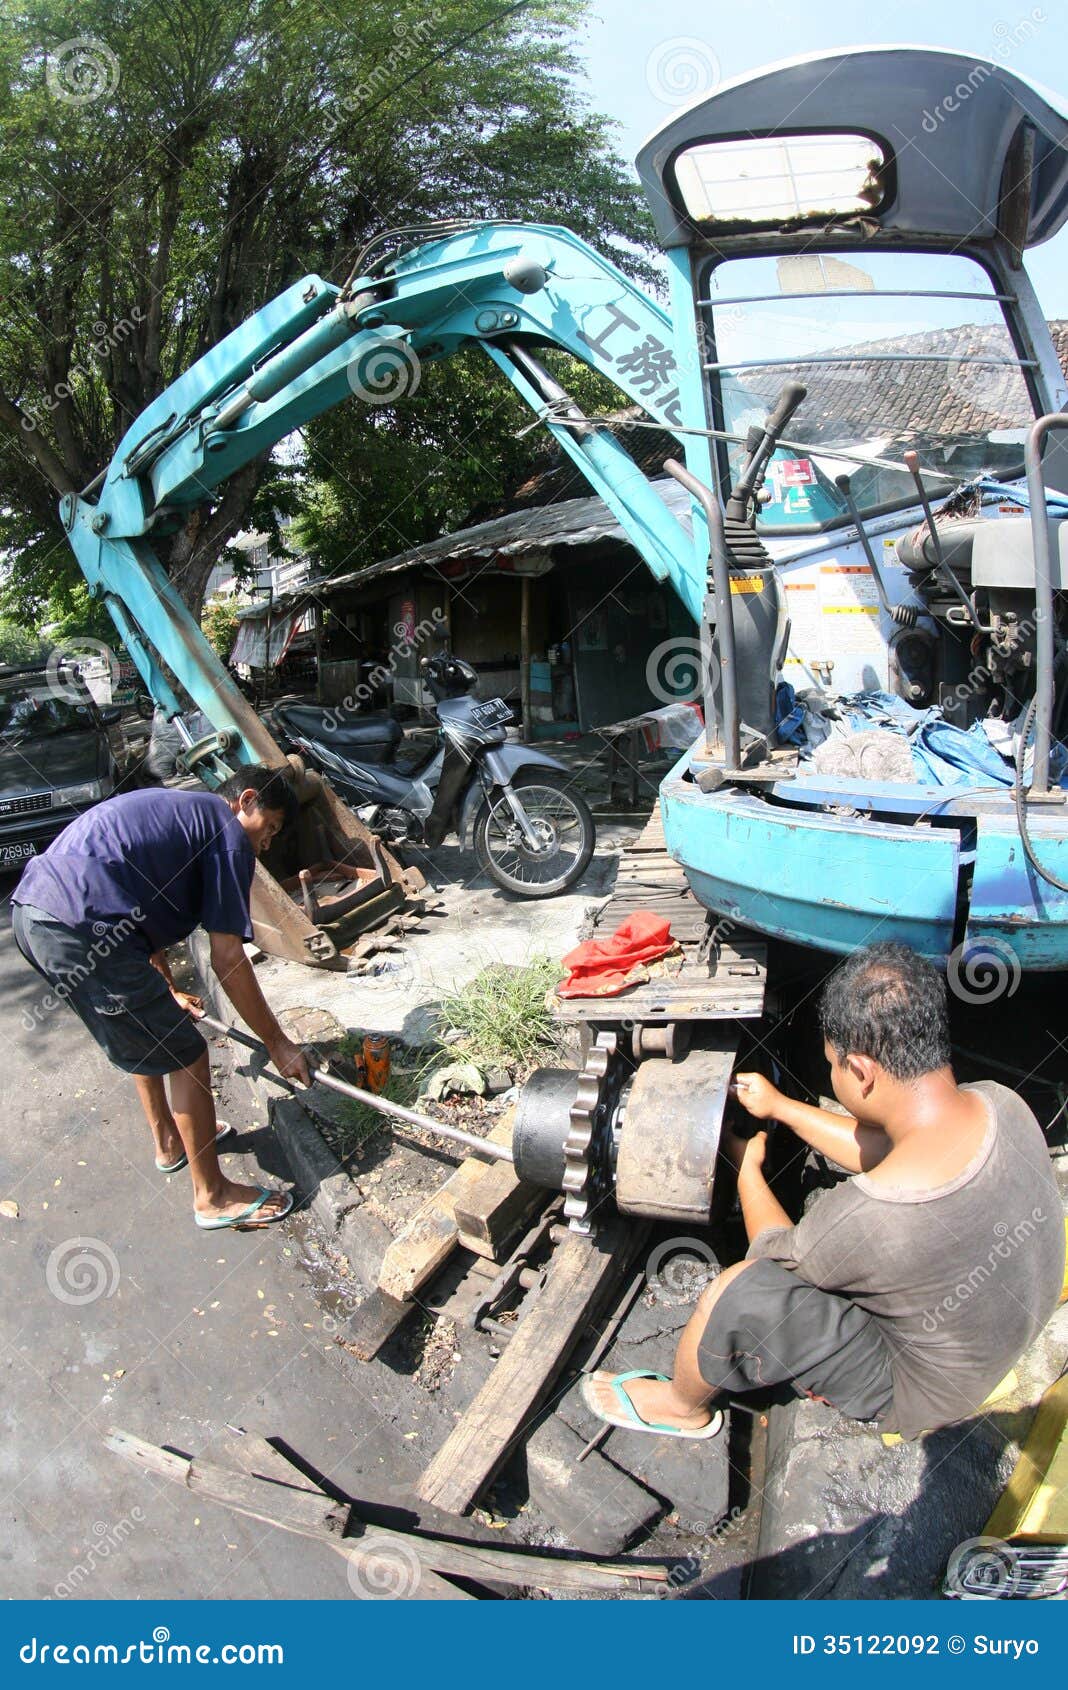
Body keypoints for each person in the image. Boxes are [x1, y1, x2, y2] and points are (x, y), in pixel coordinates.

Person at [583, 941, 1065, 1441]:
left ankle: (680, 1407)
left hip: (927, 1391)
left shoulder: (873, 1216)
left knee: (737, 1293)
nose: (833, 1075)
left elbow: (770, 1256)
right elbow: (887, 1148)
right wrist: (781, 1107)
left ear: (860, 1070)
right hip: (1020, 1307)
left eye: (835, 1065)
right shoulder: (998, 1100)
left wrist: (747, 1167)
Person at [13, 765, 311, 1232]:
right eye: (269, 827)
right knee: (187, 1053)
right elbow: (228, 957)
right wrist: (276, 1042)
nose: (266, 843)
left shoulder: (183, 818)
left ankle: (170, 1143)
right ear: (246, 800)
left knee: (151, 1036)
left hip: (37, 916)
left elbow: (138, 919)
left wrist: (166, 989)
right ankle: (212, 1197)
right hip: (78, 923)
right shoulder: (226, 834)